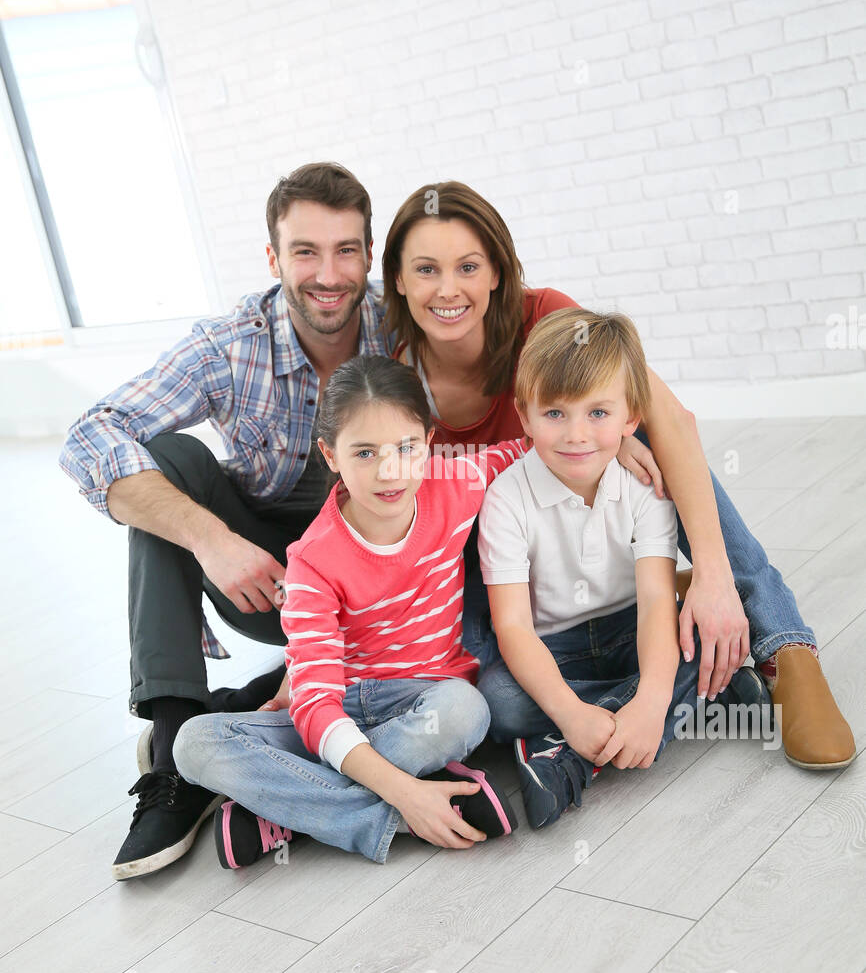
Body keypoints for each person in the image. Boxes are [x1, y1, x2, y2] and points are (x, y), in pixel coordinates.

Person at [381, 181, 855, 772]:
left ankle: (777, 638)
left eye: (468, 266)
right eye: (426, 269)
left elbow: (671, 419)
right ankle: (664, 682)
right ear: (396, 280)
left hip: (594, 517)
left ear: (498, 271)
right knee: (494, 698)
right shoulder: (391, 374)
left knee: (650, 440)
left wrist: (711, 573)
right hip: (502, 571)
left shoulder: (550, 319)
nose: (448, 289)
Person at [59, 162, 395, 880]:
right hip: (264, 580)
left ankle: (247, 704)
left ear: (370, 257)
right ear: (274, 260)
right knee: (164, 456)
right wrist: (213, 541)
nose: (327, 273)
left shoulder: (406, 329)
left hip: (374, 584)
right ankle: (177, 743)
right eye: (305, 251)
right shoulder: (231, 342)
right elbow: (92, 434)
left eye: (346, 251)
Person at [172, 356, 519, 866]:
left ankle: (287, 810)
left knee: (466, 710)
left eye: (406, 447)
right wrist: (404, 793)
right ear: (330, 455)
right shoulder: (312, 561)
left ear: (428, 440)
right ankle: (401, 806)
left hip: (423, 700)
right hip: (340, 703)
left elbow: (531, 448)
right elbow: (313, 706)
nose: (390, 471)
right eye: (364, 452)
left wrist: (624, 440)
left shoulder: (456, 482)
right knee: (194, 743)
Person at [478, 308, 777, 828]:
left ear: (631, 418)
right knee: (497, 701)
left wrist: (650, 700)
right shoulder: (506, 499)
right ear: (524, 416)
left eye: (598, 413)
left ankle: (566, 757)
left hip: (632, 631)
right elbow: (512, 627)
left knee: (703, 637)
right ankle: (698, 702)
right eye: (554, 414)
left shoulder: (643, 485)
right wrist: (573, 712)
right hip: (556, 647)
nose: (576, 435)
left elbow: (659, 601)